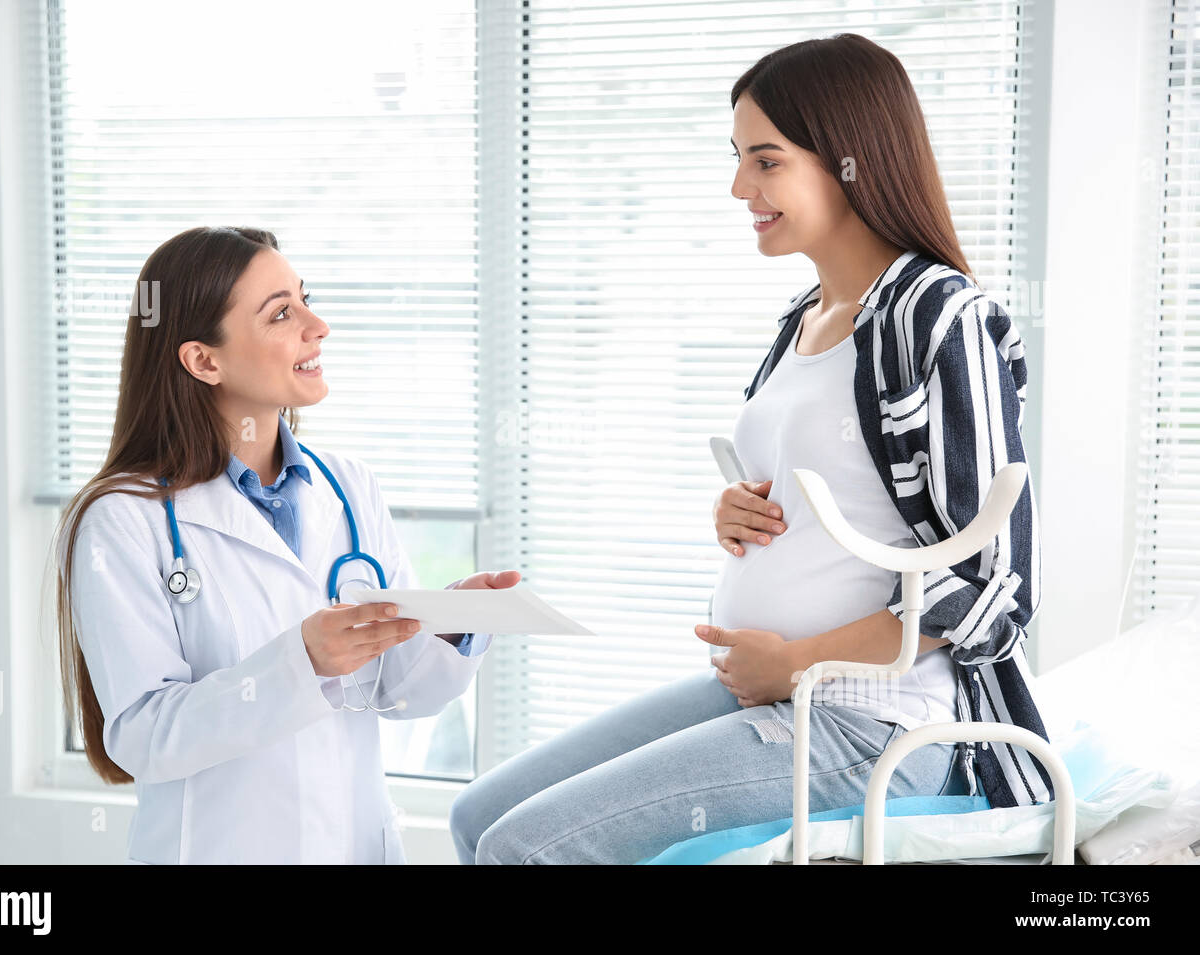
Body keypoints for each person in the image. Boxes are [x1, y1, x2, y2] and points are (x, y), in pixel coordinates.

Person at [449, 33, 1052, 865]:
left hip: (875, 718)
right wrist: (744, 509)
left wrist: (799, 660)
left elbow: (997, 587)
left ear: (849, 158)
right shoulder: (804, 318)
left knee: (525, 846)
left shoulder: (939, 318)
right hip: (770, 693)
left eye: (765, 161)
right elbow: (843, 492)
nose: (740, 187)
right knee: (476, 817)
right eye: (738, 159)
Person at [54, 225, 520, 864]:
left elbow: (400, 695)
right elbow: (143, 738)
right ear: (204, 361)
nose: (317, 325)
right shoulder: (124, 520)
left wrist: (449, 623)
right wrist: (300, 662)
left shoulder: (349, 487)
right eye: (281, 313)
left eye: (306, 299)